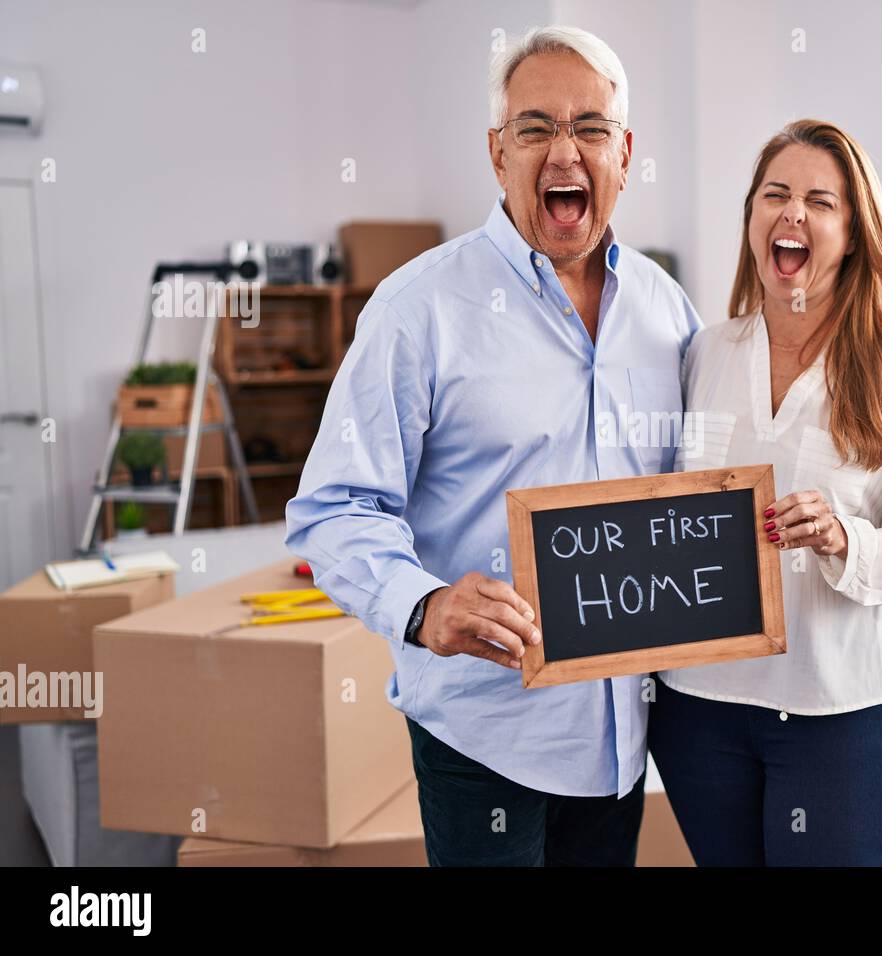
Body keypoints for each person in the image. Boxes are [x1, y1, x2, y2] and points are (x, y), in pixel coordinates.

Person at [285, 25, 701, 866]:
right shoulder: (420, 308)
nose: (563, 152)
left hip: (621, 735)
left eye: (589, 128)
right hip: (485, 736)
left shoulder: (666, 310)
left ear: (625, 152)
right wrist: (424, 606)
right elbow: (333, 509)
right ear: (496, 152)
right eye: (534, 127)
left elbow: (691, 488)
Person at [648, 119, 882, 866]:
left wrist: (842, 536)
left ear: (852, 233)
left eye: (819, 202)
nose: (792, 213)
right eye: (775, 195)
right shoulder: (702, 354)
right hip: (699, 711)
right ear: (752, 219)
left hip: (842, 714)